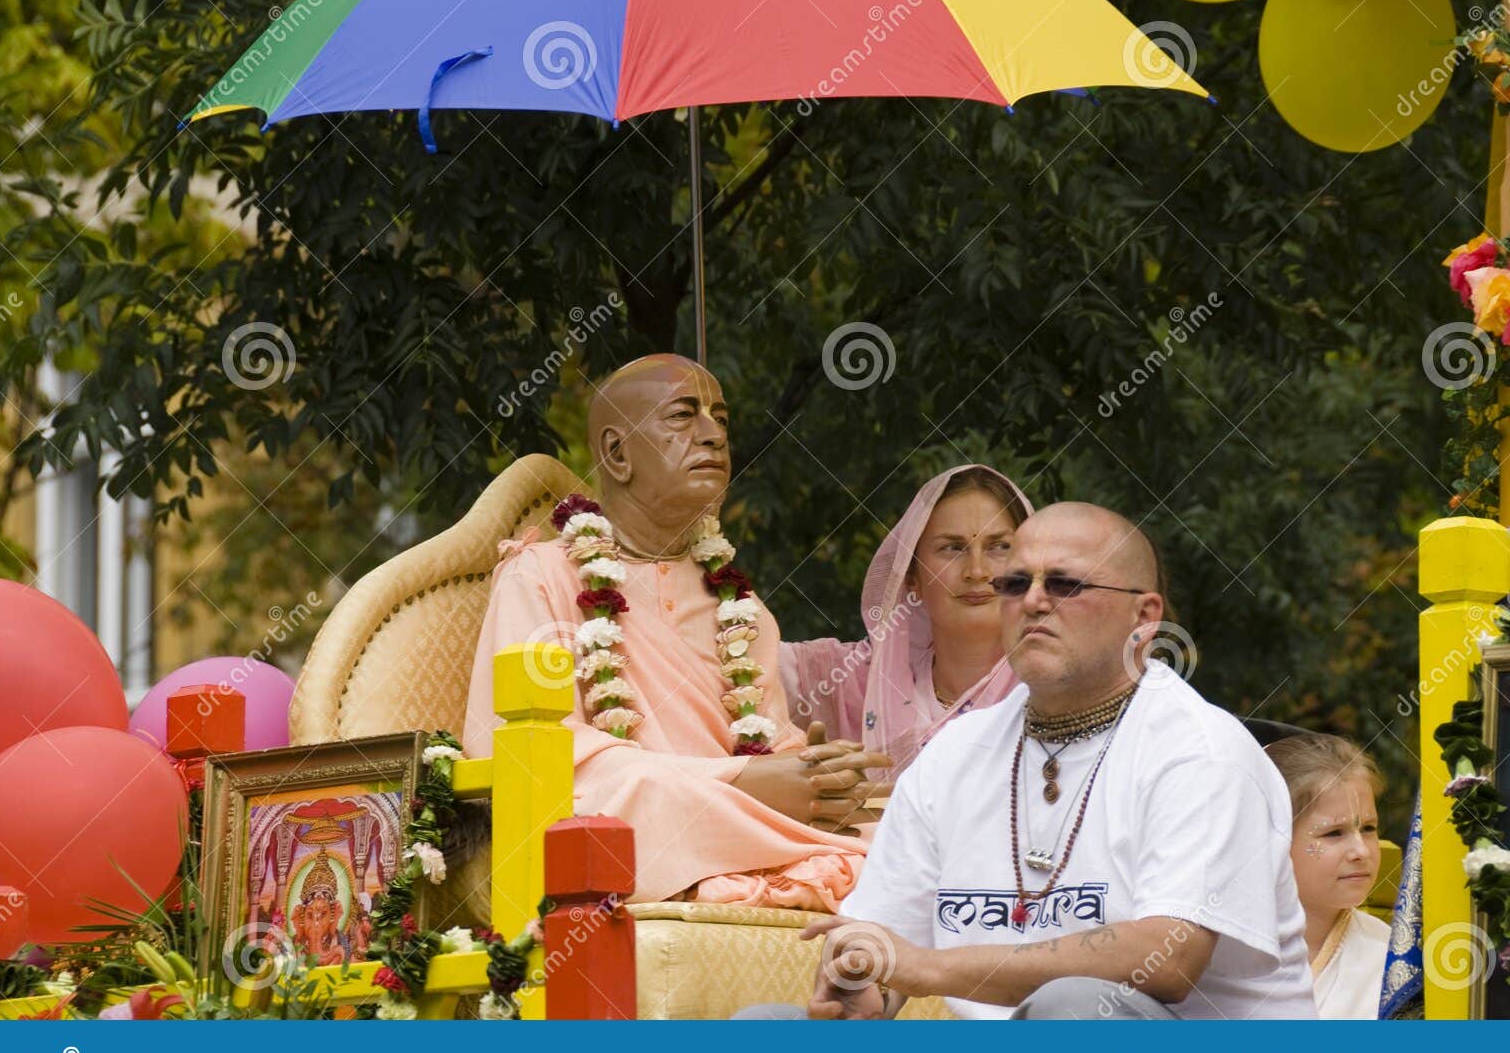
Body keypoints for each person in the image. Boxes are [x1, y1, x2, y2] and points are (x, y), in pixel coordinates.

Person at [795, 502, 1317, 1019]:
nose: (1034, 602)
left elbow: (1168, 958)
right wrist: (865, 985)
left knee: (1075, 1007)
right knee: (769, 1031)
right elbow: (885, 934)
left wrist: (928, 968)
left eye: (1066, 585)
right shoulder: (954, 754)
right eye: (1015, 584)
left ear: (1145, 616)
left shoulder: (1200, 751)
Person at [465, 354, 889, 912]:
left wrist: (816, 777)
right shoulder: (540, 575)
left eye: (721, 419)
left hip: (738, 824)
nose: (713, 435)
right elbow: (530, 754)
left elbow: (770, 745)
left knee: (894, 830)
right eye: (684, 416)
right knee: (613, 792)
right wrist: (743, 783)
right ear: (617, 454)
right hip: (625, 820)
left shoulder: (741, 606)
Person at [782, 465, 1031, 777]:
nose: (977, 571)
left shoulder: (1057, 688)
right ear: (911, 576)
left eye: (999, 547)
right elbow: (732, 648)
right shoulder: (854, 681)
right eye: (952, 548)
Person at [1265, 734, 1389, 1019]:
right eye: (1334, 833)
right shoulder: (1216, 950)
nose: (1361, 851)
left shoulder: (1394, 961)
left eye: (1369, 828)